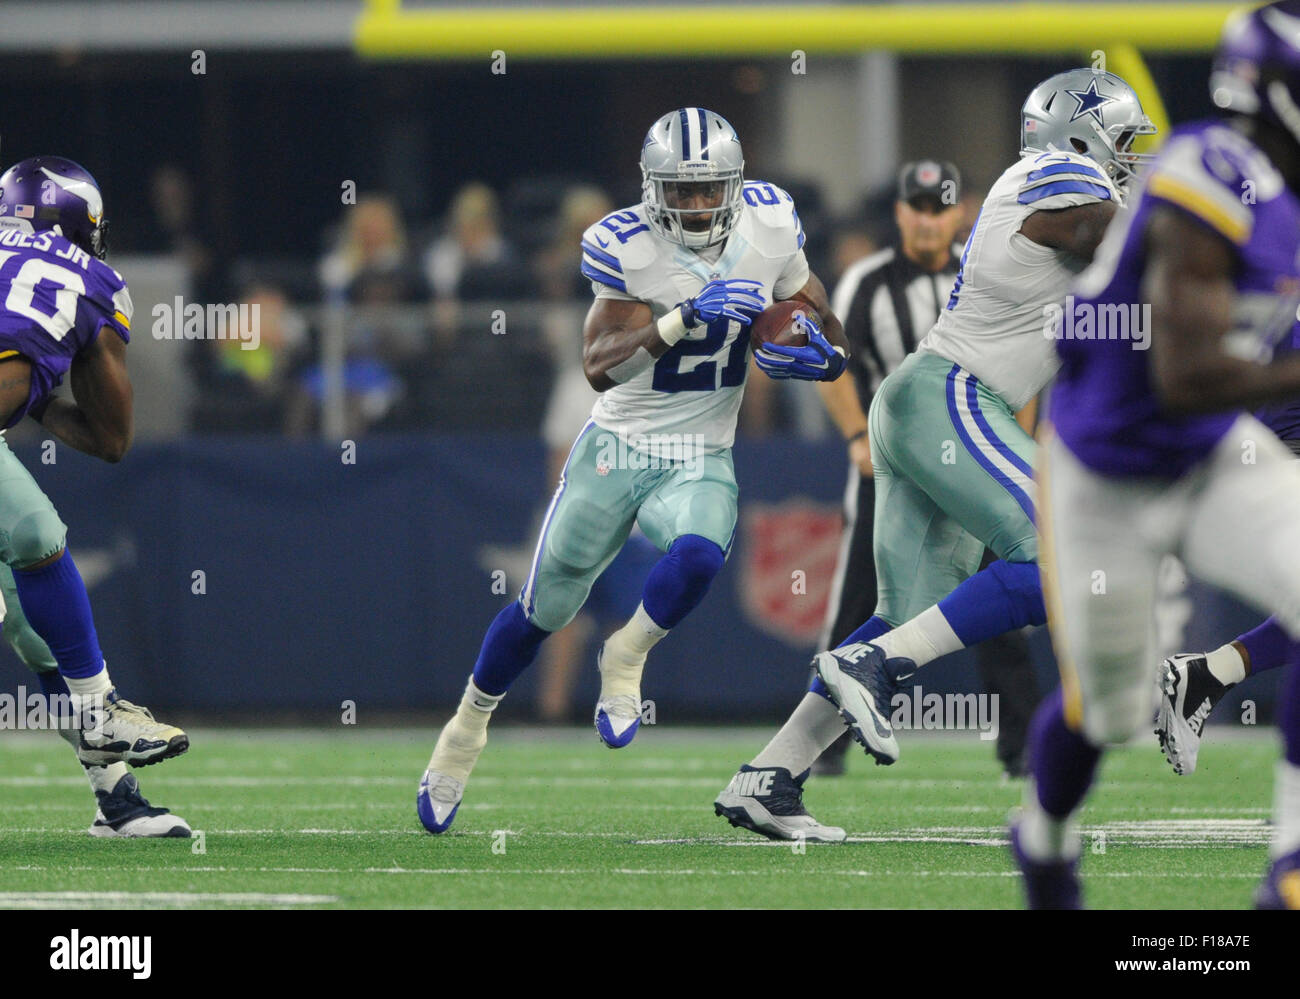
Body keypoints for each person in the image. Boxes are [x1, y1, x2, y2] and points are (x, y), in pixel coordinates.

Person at [715, 69, 1152, 840]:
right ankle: (868, 669)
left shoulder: (1062, 193)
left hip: (932, 403)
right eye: (1122, 142)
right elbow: (1121, 244)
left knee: (902, 618)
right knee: (1063, 555)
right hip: (949, 397)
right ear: (1079, 136)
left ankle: (769, 777)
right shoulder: (1059, 178)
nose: (1128, 158)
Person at [416, 107, 850, 834]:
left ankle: (629, 650)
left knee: (703, 550)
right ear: (654, 191)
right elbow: (598, 366)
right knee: (542, 609)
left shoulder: (771, 223)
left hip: (701, 450)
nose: (697, 204)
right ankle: (464, 731)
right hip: (617, 448)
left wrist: (820, 347)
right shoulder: (627, 244)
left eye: (709, 188)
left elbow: (819, 317)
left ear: (735, 186)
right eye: (680, 191)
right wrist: (680, 317)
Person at [1012, 2, 1300, 909]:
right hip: (1107, 468)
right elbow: (1184, 375)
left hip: (1213, 452)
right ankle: (1043, 841)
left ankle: (1289, 865)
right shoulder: (1208, 172)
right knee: (1111, 711)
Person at [813, 160, 1039, 779]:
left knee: (1006, 595)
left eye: (941, 207)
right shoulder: (868, 280)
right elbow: (831, 362)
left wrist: (1016, 442)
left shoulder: (984, 268)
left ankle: (1020, 742)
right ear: (900, 213)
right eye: (919, 207)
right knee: (864, 596)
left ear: (960, 213)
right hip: (898, 458)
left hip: (971, 454)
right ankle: (823, 740)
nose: (930, 220)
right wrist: (857, 435)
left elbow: (1022, 365)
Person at [0, 155, 190, 837]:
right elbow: (113, 438)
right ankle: (101, 710)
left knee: (31, 556)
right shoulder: (93, 278)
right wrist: (48, 399)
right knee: (32, 538)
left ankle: (117, 797)